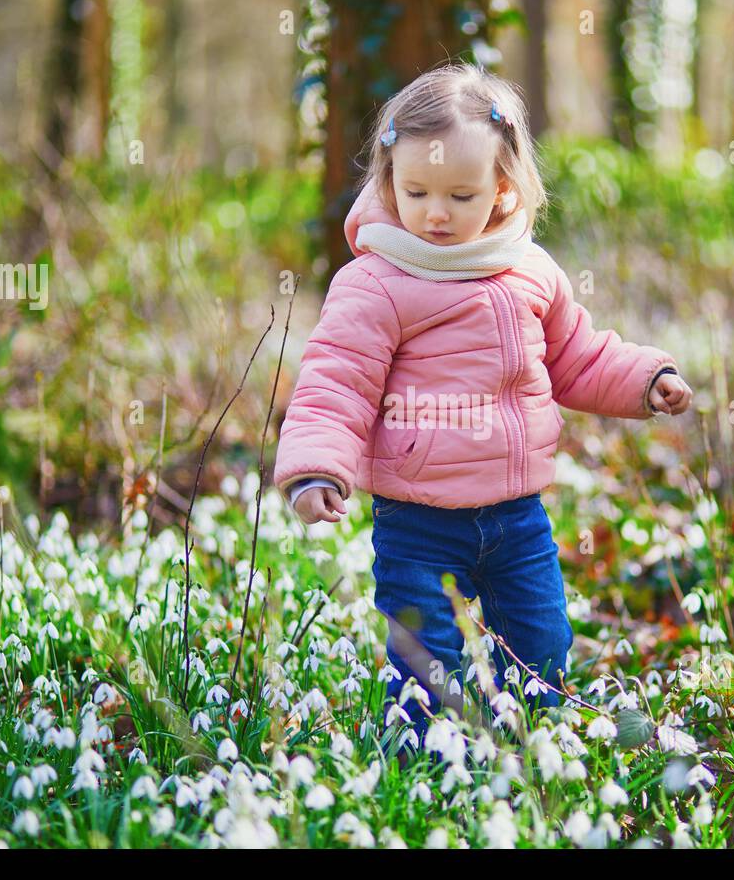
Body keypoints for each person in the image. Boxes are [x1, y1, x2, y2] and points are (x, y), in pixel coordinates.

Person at [272, 62, 692, 756]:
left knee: (542, 638)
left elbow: (578, 356)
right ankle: (419, 756)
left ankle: (533, 748)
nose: (435, 213)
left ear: (502, 188)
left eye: (459, 195)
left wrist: (647, 379)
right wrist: (318, 470)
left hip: (515, 515)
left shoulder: (528, 269)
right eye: (416, 191)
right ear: (388, 181)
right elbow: (335, 381)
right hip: (417, 517)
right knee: (425, 651)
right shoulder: (376, 282)